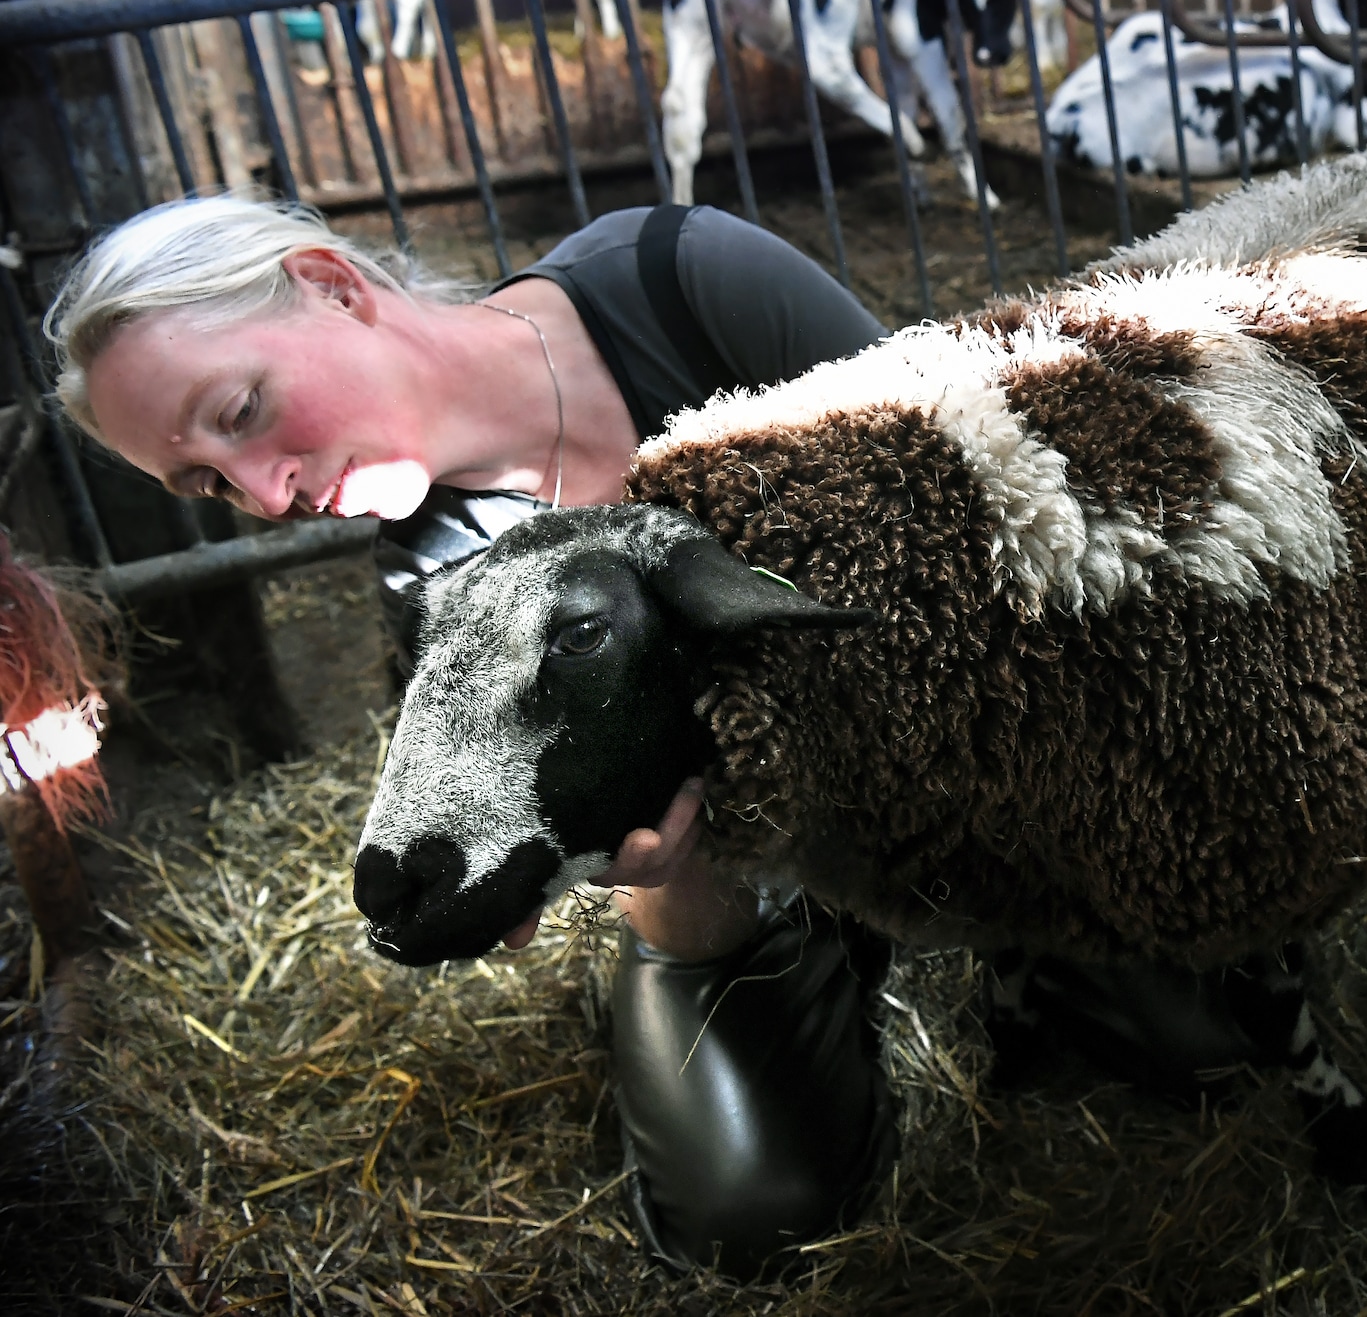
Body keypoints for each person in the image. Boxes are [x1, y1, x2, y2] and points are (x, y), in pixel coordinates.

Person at [45, 195, 1286, 1278]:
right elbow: (594, 821)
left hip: (977, 762)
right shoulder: (432, 564)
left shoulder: (685, 286)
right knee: (748, 1219)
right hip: (753, 871)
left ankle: (1023, 945)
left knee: (1220, 1054)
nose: (265, 495)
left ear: (330, 289)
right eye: (208, 486)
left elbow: (974, 540)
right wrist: (641, 866)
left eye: (243, 410)